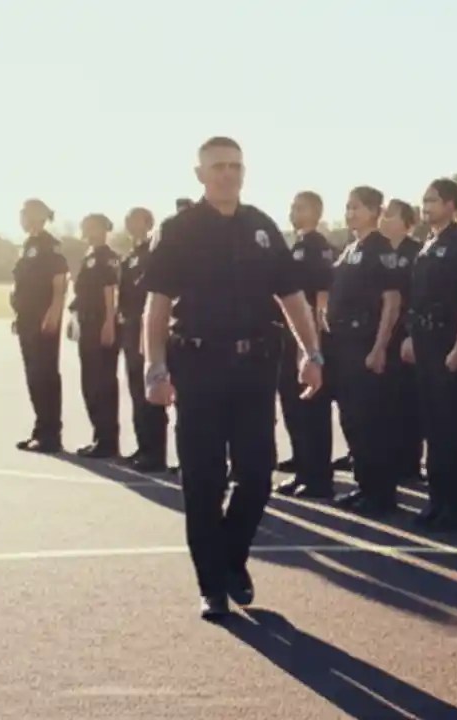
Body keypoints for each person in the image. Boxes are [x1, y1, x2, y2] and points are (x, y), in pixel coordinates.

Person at [142, 136, 324, 620]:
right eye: (218, 166)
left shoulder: (261, 227)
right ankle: (212, 585)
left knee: (258, 473)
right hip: (198, 367)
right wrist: (154, 367)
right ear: (200, 174)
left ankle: (231, 557)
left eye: (236, 166)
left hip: (254, 368)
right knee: (202, 481)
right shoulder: (177, 230)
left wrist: (313, 353)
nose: (228, 174)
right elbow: (157, 305)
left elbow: (292, 298)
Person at [410, 178, 457, 532]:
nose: (426, 206)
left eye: (433, 200)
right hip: (425, 340)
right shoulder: (429, 243)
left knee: (454, 427)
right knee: (433, 425)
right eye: (424, 200)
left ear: (453, 205)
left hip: (448, 341)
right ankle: (437, 501)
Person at [328, 186, 406, 515]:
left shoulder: (380, 249)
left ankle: (381, 493)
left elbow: (392, 302)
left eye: (357, 208)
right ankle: (365, 485)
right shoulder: (351, 248)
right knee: (353, 420)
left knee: (373, 421)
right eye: (347, 207)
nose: (350, 213)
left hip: (366, 343)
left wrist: (379, 347)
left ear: (375, 211)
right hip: (344, 344)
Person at [273, 191, 336, 499]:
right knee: (294, 408)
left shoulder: (316, 247)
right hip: (289, 335)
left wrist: (311, 348)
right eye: (292, 206)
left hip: (306, 339)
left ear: (315, 212)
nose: (292, 212)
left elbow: (320, 299)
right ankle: (304, 470)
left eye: (299, 207)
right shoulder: (297, 245)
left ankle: (318, 478)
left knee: (311, 411)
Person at [11, 198, 68, 453]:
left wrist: (54, 313)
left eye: (24, 214)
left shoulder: (49, 245)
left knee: (45, 375)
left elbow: (60, 284)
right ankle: (40, 430)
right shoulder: (26, 245)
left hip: (43, 319)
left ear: (35, 216)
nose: (21, 218)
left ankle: (51, 434)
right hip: (26, 319)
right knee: (33, 376)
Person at [118, 207, 168, 471]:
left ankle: (156, 453)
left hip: (147, 328)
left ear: (149, 223)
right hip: (131, 328)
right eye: (128, 219)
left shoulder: (153, 253)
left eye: (136, 219)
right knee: (137, 391)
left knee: (152, 390)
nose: (130, 224)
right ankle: (144, 447)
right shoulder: (130, 257)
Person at [381, 199, 426, 488]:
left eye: (391, 215)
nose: (384, 219)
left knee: (410, 400)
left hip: (408, 335)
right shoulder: (381, 252)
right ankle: (391, 457)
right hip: (383, 333)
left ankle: (410, 463)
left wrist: (411, 333)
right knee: (387, 401)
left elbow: (419, 297)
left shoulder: (417, 252)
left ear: (407, 221)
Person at [70, 213, 122, 458]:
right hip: (87, 323)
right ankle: (99, 436)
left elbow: (110, 291)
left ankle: (108, 440)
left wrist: (109, 323)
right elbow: (82, 293)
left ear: (104, 230)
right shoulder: (88, 256)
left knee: (103, 383)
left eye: (95, 227)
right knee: (90, 383)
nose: (90, 231)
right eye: (87, 226)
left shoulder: (107, 257)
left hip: (101, 324)